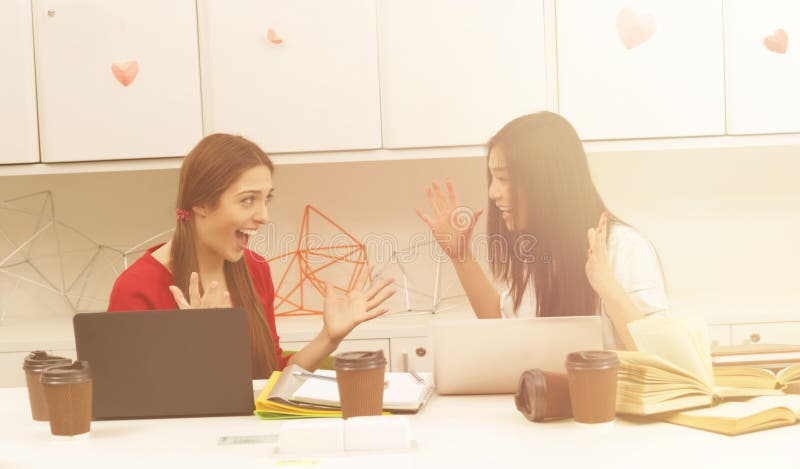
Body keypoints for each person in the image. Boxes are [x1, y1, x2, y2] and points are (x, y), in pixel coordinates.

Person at [108, 134, 395, 378]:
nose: (263, 216)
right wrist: (195, 344)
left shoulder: (256, 270)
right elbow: (131, 405)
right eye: (247, 200)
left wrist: (329, 338)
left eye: (266, 198)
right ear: (201, 203)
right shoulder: (137, 287)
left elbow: (269, 380)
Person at [416, 112, 668, 350]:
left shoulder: (624, 248)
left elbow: (660, 358)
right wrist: (461, 257)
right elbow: (503, 328)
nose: (493, 193)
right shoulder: (537, 250)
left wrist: (607, 287)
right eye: (493, 179)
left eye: (504, 179)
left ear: (547, 183)